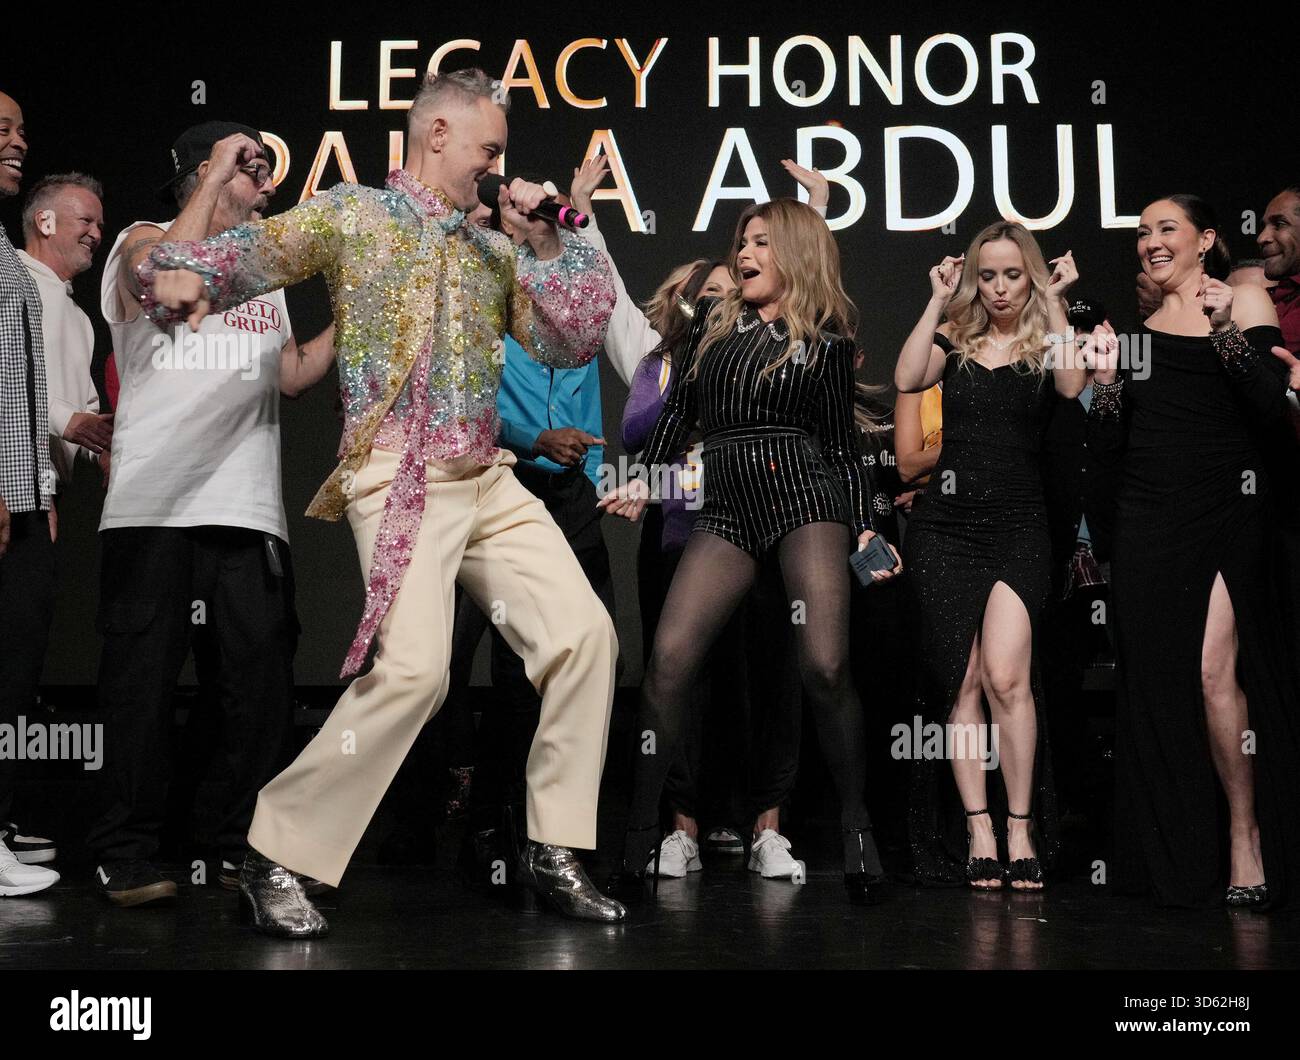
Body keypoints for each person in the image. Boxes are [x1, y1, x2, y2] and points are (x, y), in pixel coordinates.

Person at [138, 69, 623, 935]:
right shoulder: (352, 213)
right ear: (437, 135)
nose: (495, 165)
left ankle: (555, 847)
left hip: (487, 481)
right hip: (399, 474)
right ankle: (277, 852)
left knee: (585, 637)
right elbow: (226, 262)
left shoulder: (491, 249)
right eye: (488, 148)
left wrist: (558, 236)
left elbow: (574, 334)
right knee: (414, 673)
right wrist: (186, 265)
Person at [601, 198, 901, 905]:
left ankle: (858, 830)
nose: (745, 253)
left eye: (763, 242)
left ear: (794, 252)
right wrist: (647, 479)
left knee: (824, 666)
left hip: (804, 497)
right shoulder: (714, 323)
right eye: (743, 241)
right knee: (669, 663)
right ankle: (641, 837)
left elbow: (840, 444)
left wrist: (864, 525)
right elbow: (675, 417)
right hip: (728, 502)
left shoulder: (823, 341)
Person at [88, 121, 336, 908]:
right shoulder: (142, 238)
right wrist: (214, 174)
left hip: (248, 510)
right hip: (151, 510)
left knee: (255, 696)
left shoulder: (260, 269)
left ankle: (238, 851)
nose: (266, 183)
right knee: (141, 692)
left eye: (262, 168)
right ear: (205, 172)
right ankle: (124, 854)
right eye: (248, 167)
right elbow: (158, 275)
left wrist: (356, 315)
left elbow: (292, 376)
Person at [1088, 194, 1300, 909]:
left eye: (1165, 228)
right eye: (1142, 231)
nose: (1150, 240)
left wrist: (1222, 331)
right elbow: (1111, 449)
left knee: (1215, 672)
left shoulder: (1243, 295)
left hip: (1227, 505)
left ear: (1205, 238)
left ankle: (1246, 837)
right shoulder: (1138, 332)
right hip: (1148, 516)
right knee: (1159, 684)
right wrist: (1110, 386)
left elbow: (1272, 406)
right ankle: (1182, 853)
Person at [896, 221, 1084, 891]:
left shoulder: (1045, 339)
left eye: (1012, 273)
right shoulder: (958, 337)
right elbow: (907, 377)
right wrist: (936, 302)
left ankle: (1021, 826)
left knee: (1009, 677)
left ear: (1029, 274)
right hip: (946, 528)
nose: (1000, 287)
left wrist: (1056, 298)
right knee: (964, 677)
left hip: (1021, 526)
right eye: (988, 274)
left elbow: (1070, 386)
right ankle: (977, 826)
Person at [0, 88, 60, 897]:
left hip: (22, 496)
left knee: (13, 678)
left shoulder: (7, 259)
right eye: (0, 129)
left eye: (19, 128)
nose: (17, 142)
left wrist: (36, 487)